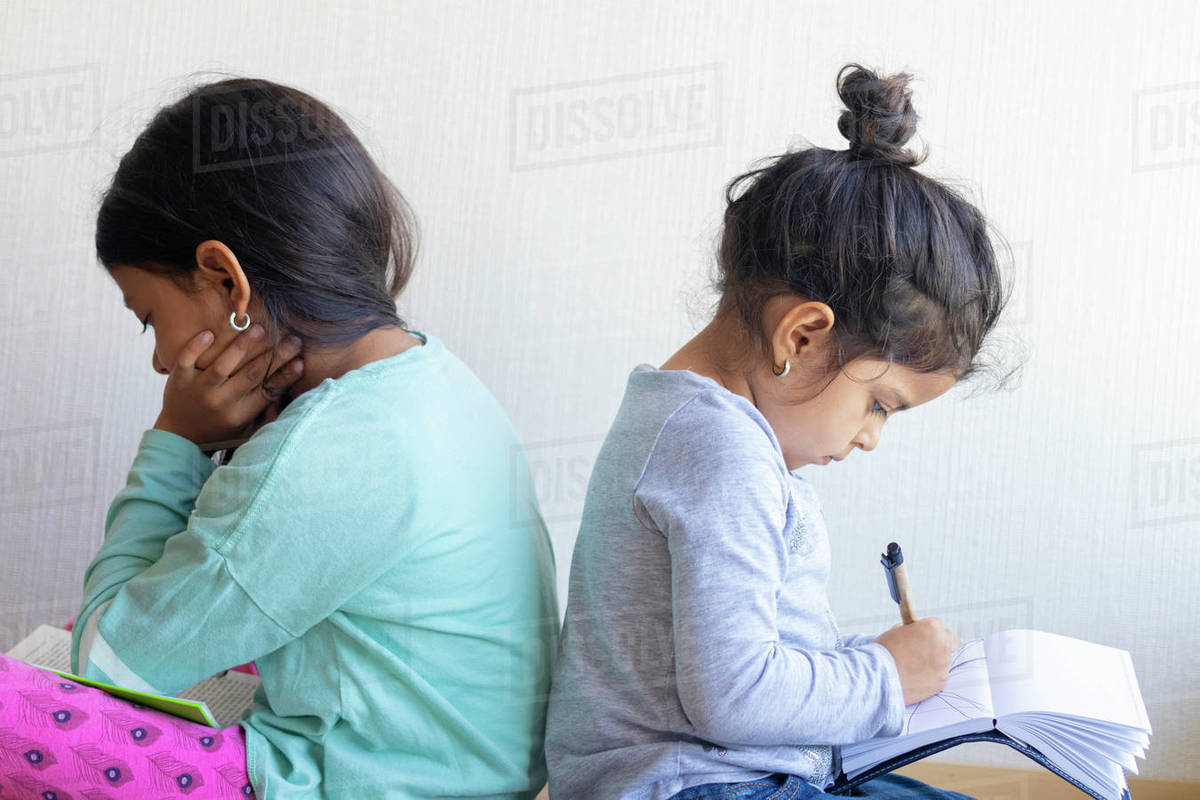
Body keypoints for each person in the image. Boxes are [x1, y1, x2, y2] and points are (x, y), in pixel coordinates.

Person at [0, 76, 559, 799]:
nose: (160, 359)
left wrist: (175, 440)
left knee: (26, 698)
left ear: (224, 281)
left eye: (149, 317)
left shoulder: (320, 453)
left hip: (366, 785)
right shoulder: (432, 379)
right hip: (469, 775)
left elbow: (103, 666)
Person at [543, 63, 1016, 800]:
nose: (871, 438)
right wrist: (885, 677)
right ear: (800, 337)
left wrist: (873, 661)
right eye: (881, 404)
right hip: (699, 786)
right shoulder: (721, 452)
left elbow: (750, 657)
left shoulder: (698, 426)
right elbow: (732, 695)